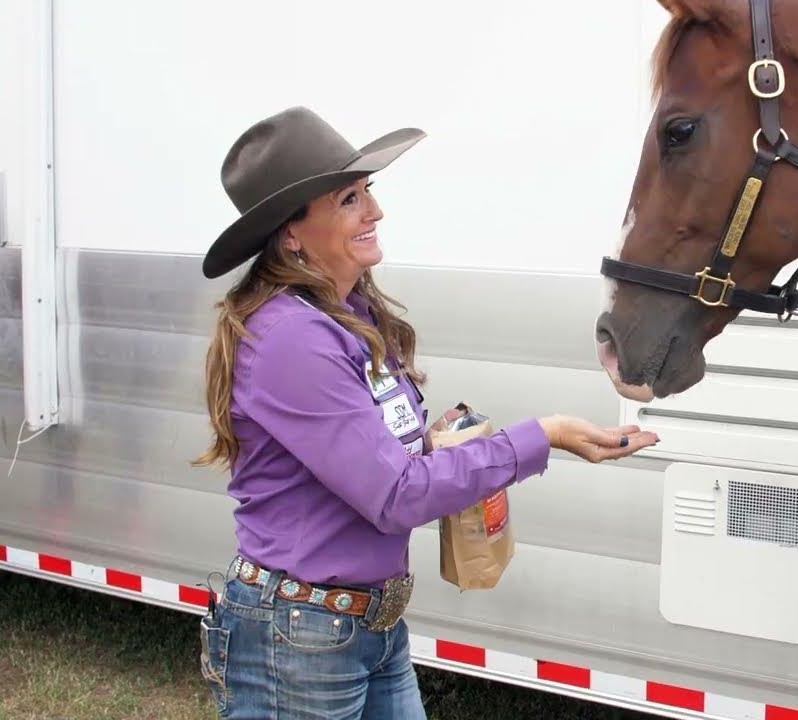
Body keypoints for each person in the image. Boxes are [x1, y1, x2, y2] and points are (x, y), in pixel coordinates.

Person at [192, 106, 658, 719]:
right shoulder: (291, 339)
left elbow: (383, 459)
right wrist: (546, 435)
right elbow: (396, 496)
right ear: (291, 233)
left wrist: (439, 444)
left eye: (368, 192)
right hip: (300, 634)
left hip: (363, 625)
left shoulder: (348, 317)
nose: (375, 211)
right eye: (349, 199)